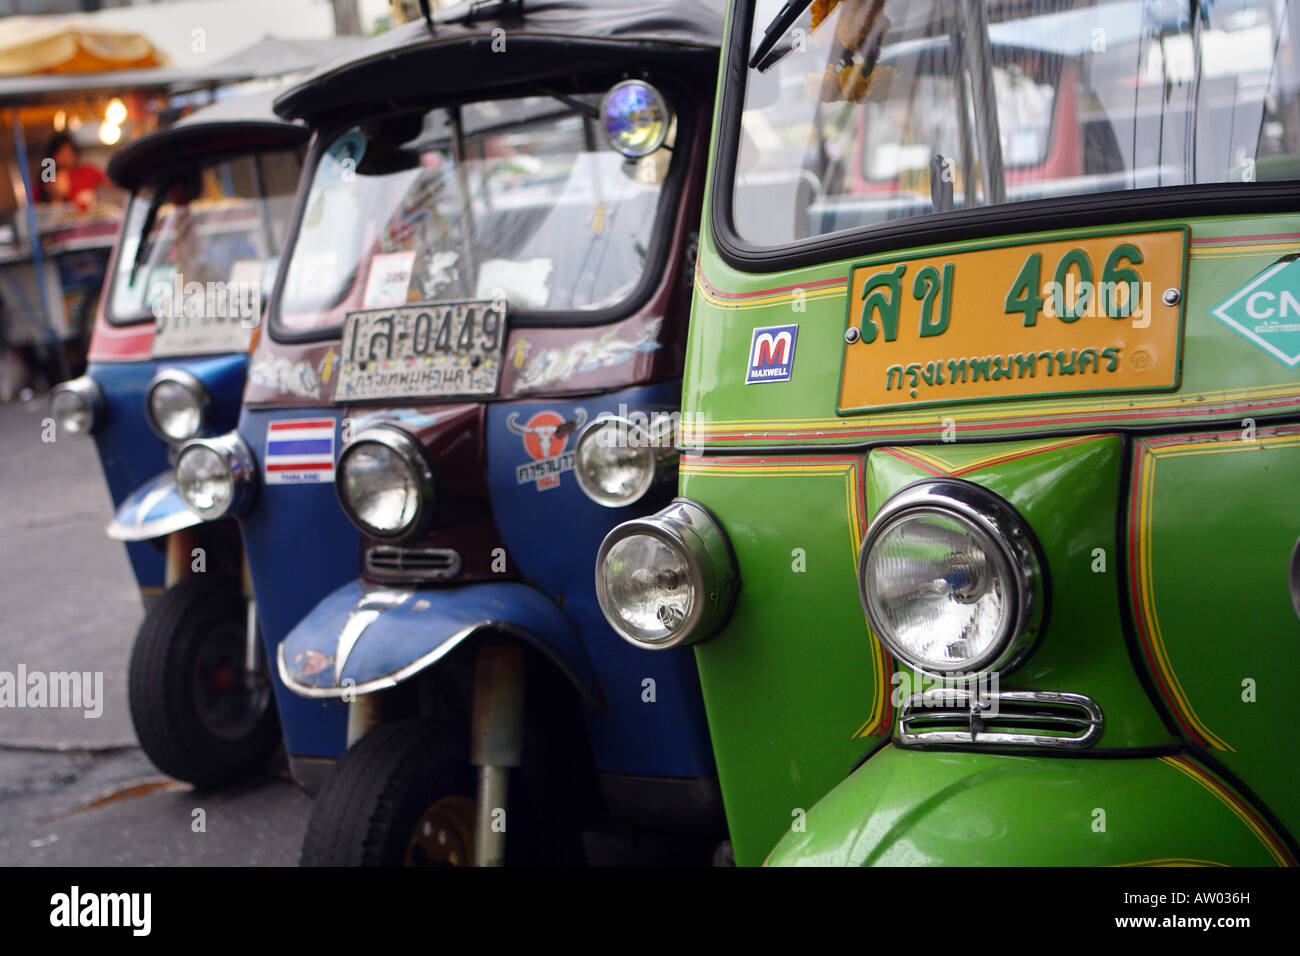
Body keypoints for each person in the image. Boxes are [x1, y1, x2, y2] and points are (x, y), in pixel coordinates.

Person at [39, 133, 108, 211]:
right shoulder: (49, 174)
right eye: (62, 153)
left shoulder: (87, 170)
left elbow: (111, 182)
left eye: (69, 152)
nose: (66, 157)